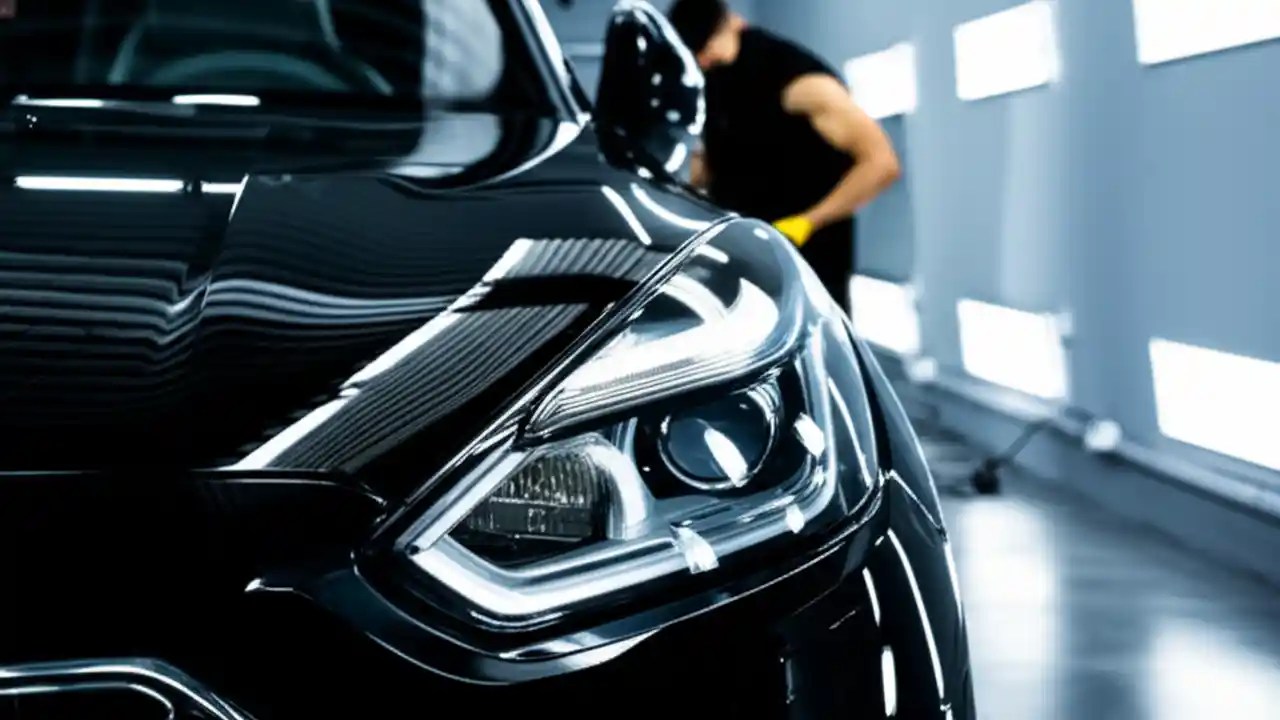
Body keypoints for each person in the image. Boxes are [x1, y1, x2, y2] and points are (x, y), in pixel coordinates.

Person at [668, 0, 901, 308]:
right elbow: (717, 160)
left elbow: (881, 164)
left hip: (808, 257)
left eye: (705, 50)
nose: (703, 61)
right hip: (746, 257)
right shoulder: (715, 76)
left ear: (729, 24)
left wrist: (807, 222)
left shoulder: (800, 82)